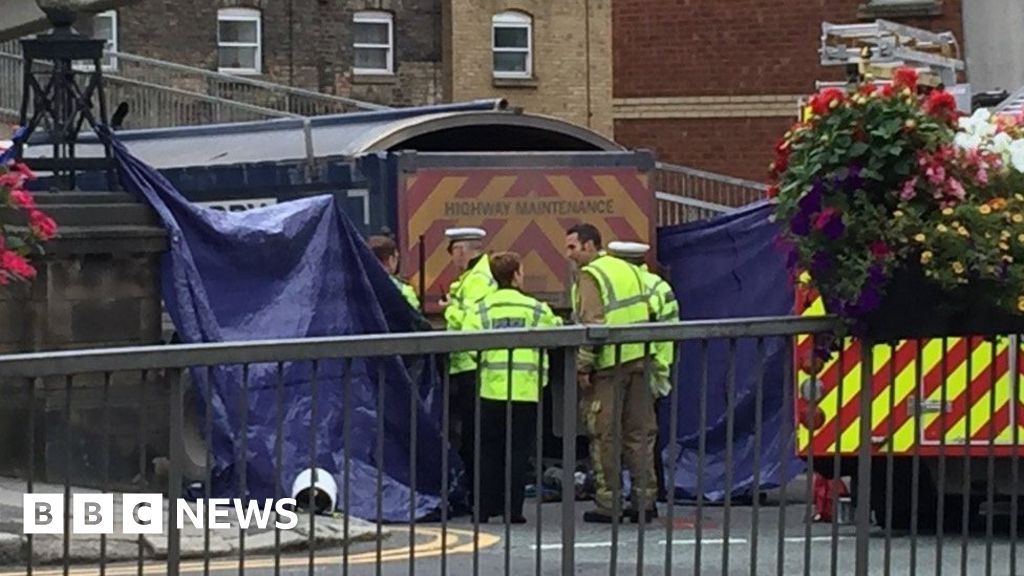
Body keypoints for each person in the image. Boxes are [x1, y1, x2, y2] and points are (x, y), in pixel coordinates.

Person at [566, 224, 659, 524]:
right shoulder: (629, 270)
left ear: (591, 246)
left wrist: (583, 366)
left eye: (573, 247)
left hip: (609, 365)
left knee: (604, 435)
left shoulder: (591, 275)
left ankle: (609, 503)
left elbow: (594, 324)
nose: (569, 254)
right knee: (639, 435)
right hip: (639, 360)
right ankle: (645, 501)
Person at [462, 251, 562, 523]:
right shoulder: (535, 308)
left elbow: (468, 345)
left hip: (491, 391)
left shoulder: (481, 309)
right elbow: (555, 334)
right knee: (517, 453)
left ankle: (482, 510)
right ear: (517, 274)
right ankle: (513, 511)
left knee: (488, 451)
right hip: (525, 392)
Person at [606, 240, 679, 502]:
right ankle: (651, 493)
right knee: (646, 435)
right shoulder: (660, 286)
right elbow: (671, 328)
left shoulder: (616, 284)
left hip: (619, 364)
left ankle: (618, 495)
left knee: (615, 432)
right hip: (655, 366)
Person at [441, 227, 497, 501]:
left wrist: (450, 307)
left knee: (475, 435)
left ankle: (478, 495)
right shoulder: (476, 277)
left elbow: (470, 324)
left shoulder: (477, 281)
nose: (453, 259)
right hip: (471, 364)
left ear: (461, 250)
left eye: (453, 253)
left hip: (472, 364)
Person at [367, 234, 421, 311]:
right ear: (390, 260)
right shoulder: (403, 291)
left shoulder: (353, 285)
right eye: (397, 258)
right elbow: (415, 320)